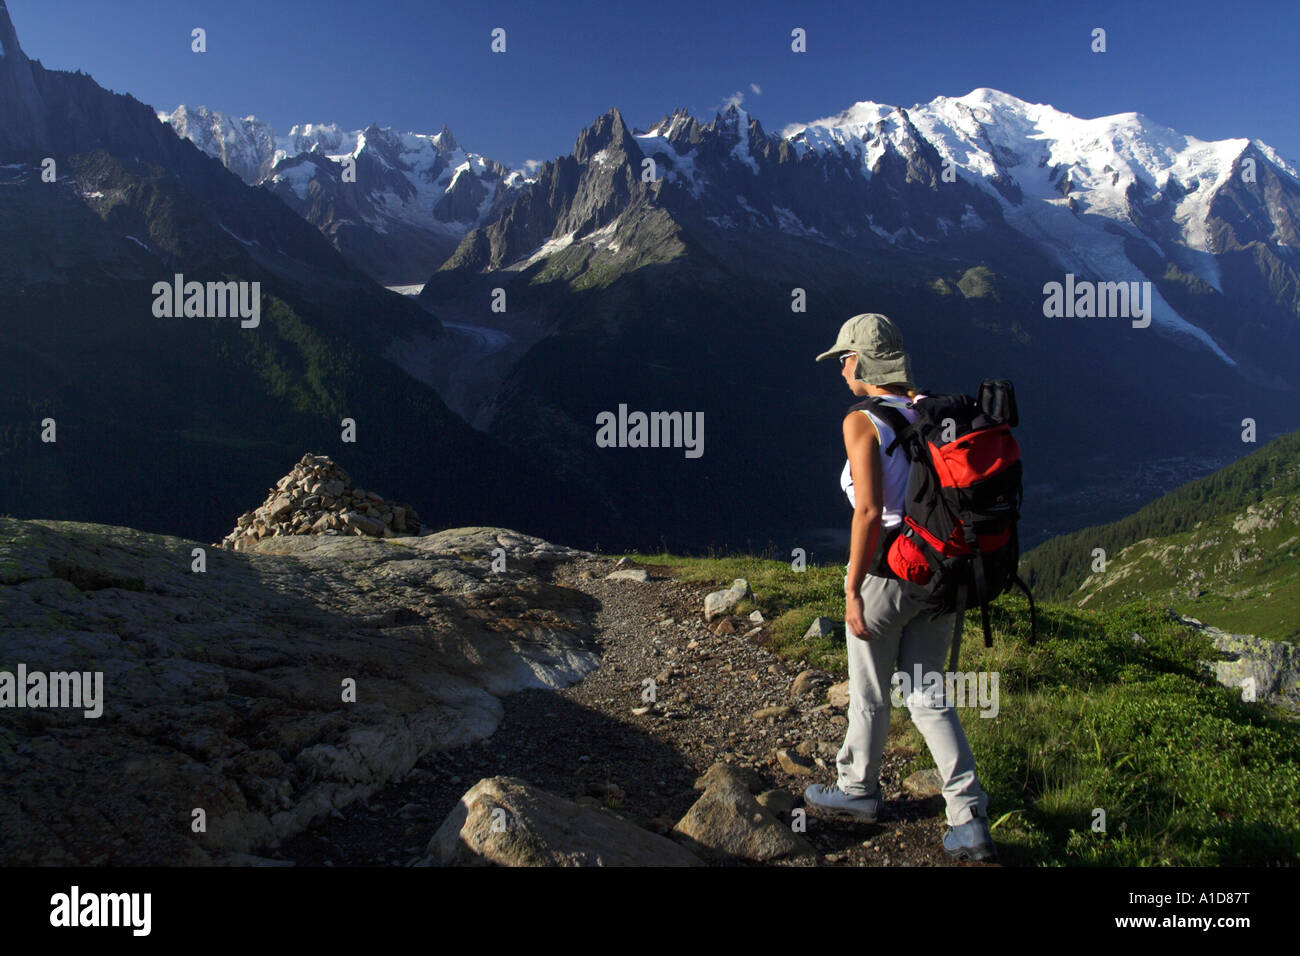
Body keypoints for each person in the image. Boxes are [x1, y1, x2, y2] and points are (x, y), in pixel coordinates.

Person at [803, 312, 996, 862]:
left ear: (861, 361)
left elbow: (867, 511)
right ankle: (969, 816)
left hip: (890, 574)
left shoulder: (862, 420)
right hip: (940, 571)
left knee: (869, 691)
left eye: (843, 359)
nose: (841, 369)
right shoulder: (933, 411)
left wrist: (851, 588)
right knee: (928, 693)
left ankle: (858, 791)